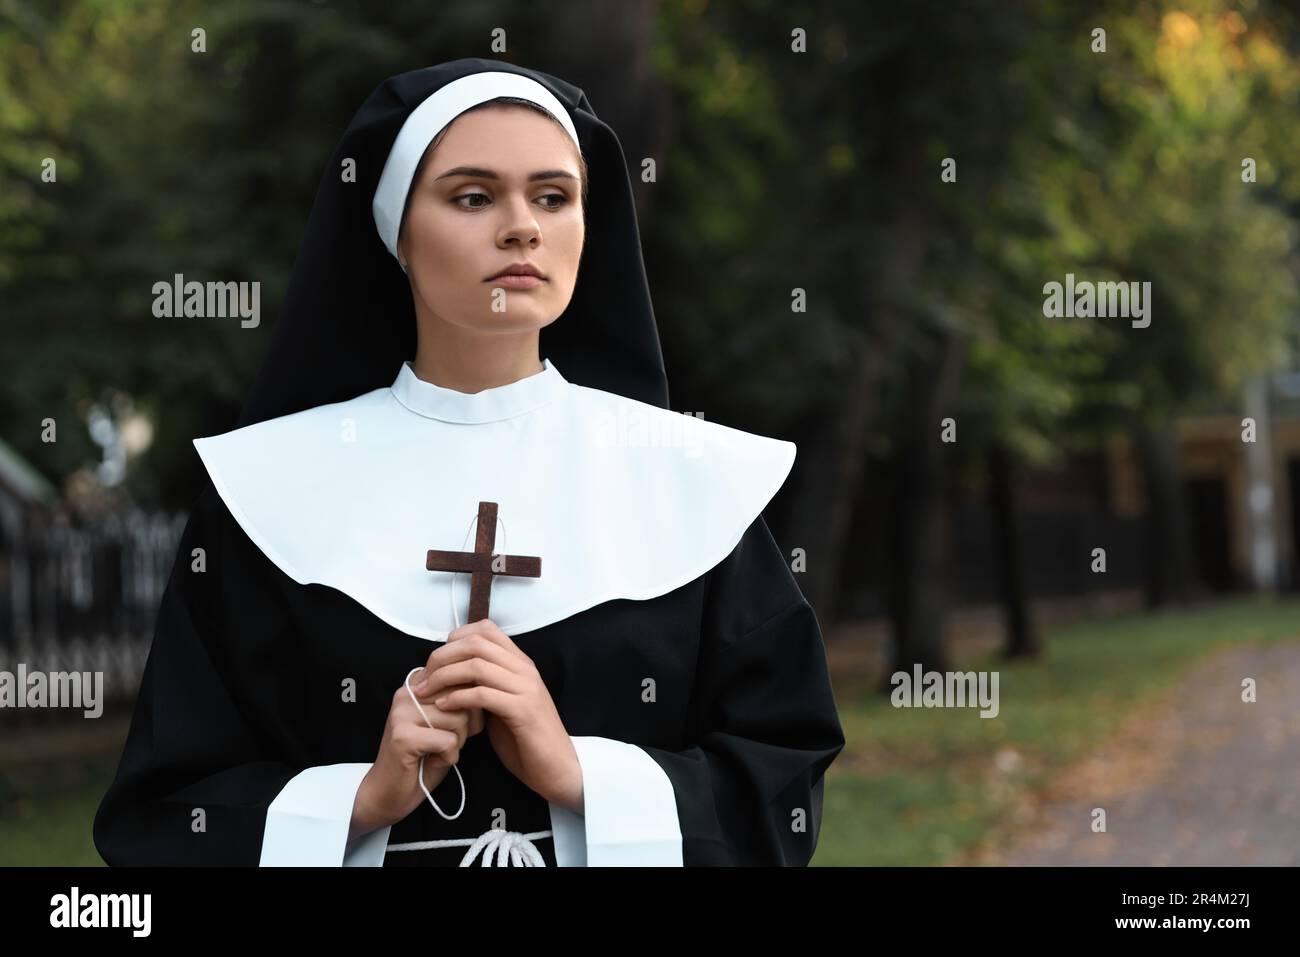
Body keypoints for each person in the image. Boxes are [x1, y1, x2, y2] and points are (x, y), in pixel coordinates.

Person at [92, 58, 845, 867]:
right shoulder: (265, 495)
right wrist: (360, 798)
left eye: (553, 196)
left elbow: (782, 783)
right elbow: (164, 814)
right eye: (473, 195)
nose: (522, 226)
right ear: (397, 232)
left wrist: (581, 772)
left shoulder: (690, 485)